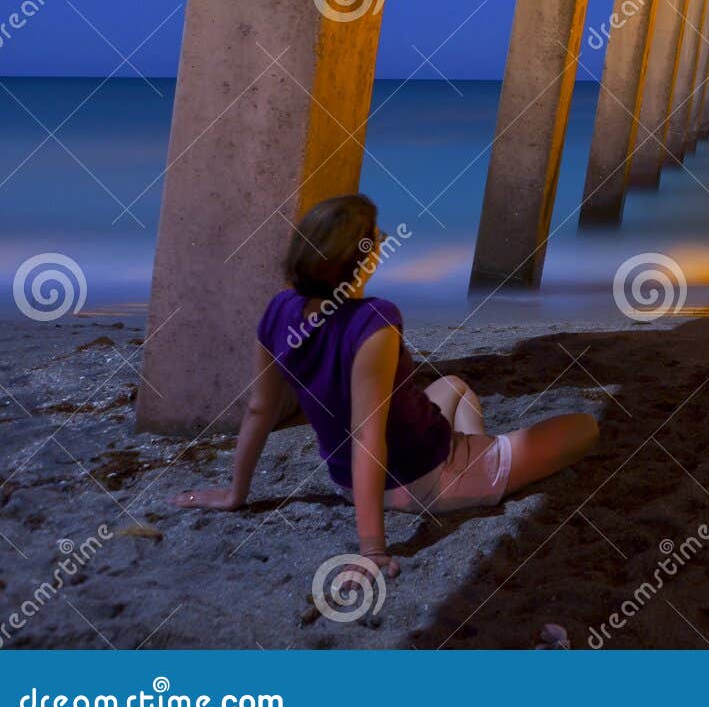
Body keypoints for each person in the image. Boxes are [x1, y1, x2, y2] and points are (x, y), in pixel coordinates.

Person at [173, 194, 599, 578]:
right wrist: (372, 549)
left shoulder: (278, 311)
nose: (380, 244)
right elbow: (366, 437)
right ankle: (475, 464)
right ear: (363, 258)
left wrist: (236, 493)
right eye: (375, 240)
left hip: (351, 481)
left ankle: (474, 450)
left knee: (454, 385)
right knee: (585, 427)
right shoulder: (372, 322)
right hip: (423, 479)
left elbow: (259, 410)